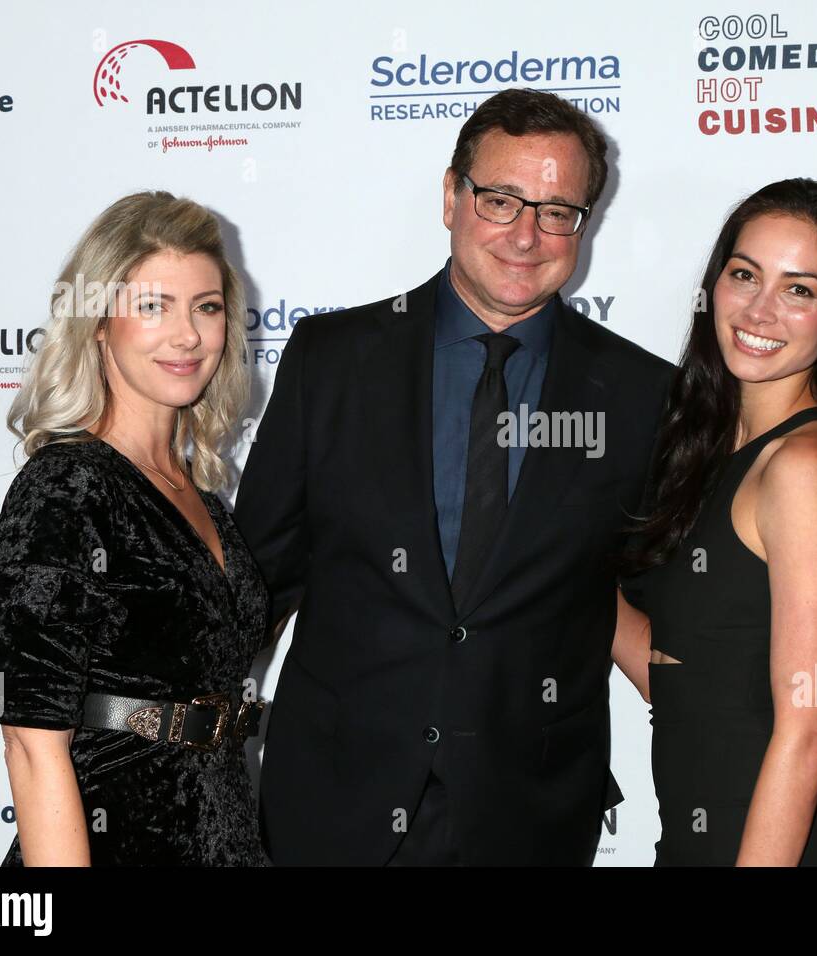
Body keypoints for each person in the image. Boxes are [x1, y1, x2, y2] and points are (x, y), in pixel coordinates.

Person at [232, 88, 675, 865]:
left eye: (556, 210)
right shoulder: (332, 361)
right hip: (331, 805)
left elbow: (660, 608)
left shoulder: (642, 396)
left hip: (527, 820)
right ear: (451, 196)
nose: (526, 235)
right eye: (500, 200)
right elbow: (258, 582)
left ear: (584, 224)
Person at [0, 191, 270, 865]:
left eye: (206, 307)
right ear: (98, 322)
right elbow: (33, 746)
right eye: (153, 305)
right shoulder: (67, 488)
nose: (188, 334)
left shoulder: (200, 494)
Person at [616, 179, 817, 866]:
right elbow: (694, 681)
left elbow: (807, 730)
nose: (760, 310)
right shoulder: (712, 450)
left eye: (800, 289)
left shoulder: (802, 469)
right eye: (744, 275)